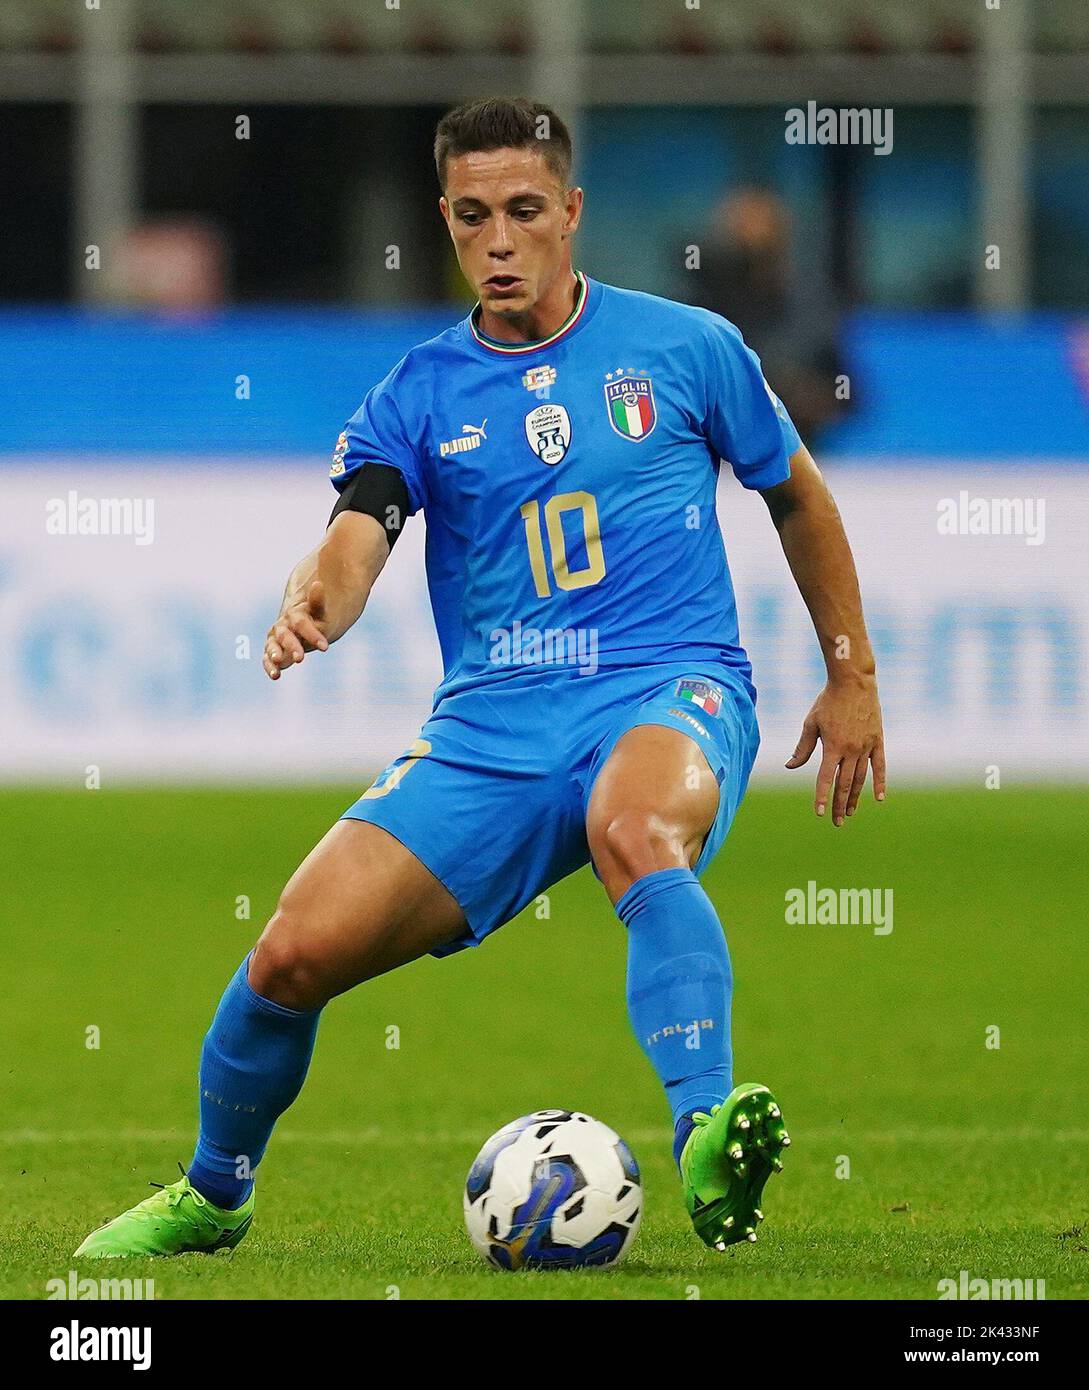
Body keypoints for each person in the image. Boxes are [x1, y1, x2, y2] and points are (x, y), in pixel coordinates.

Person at [75, 97, 885, 1261]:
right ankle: (216, 1191)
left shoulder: (687, 347)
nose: (497, 241)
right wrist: (320, 601)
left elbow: (798, 492)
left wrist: (849, 671)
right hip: (494, 729)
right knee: (289, 955)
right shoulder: (417, 393)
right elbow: (361, 530)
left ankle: (708, 1131)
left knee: (634, 826)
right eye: (469, 218)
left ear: (571, 211)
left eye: (520, 213)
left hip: (667, 685)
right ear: (445, 221)